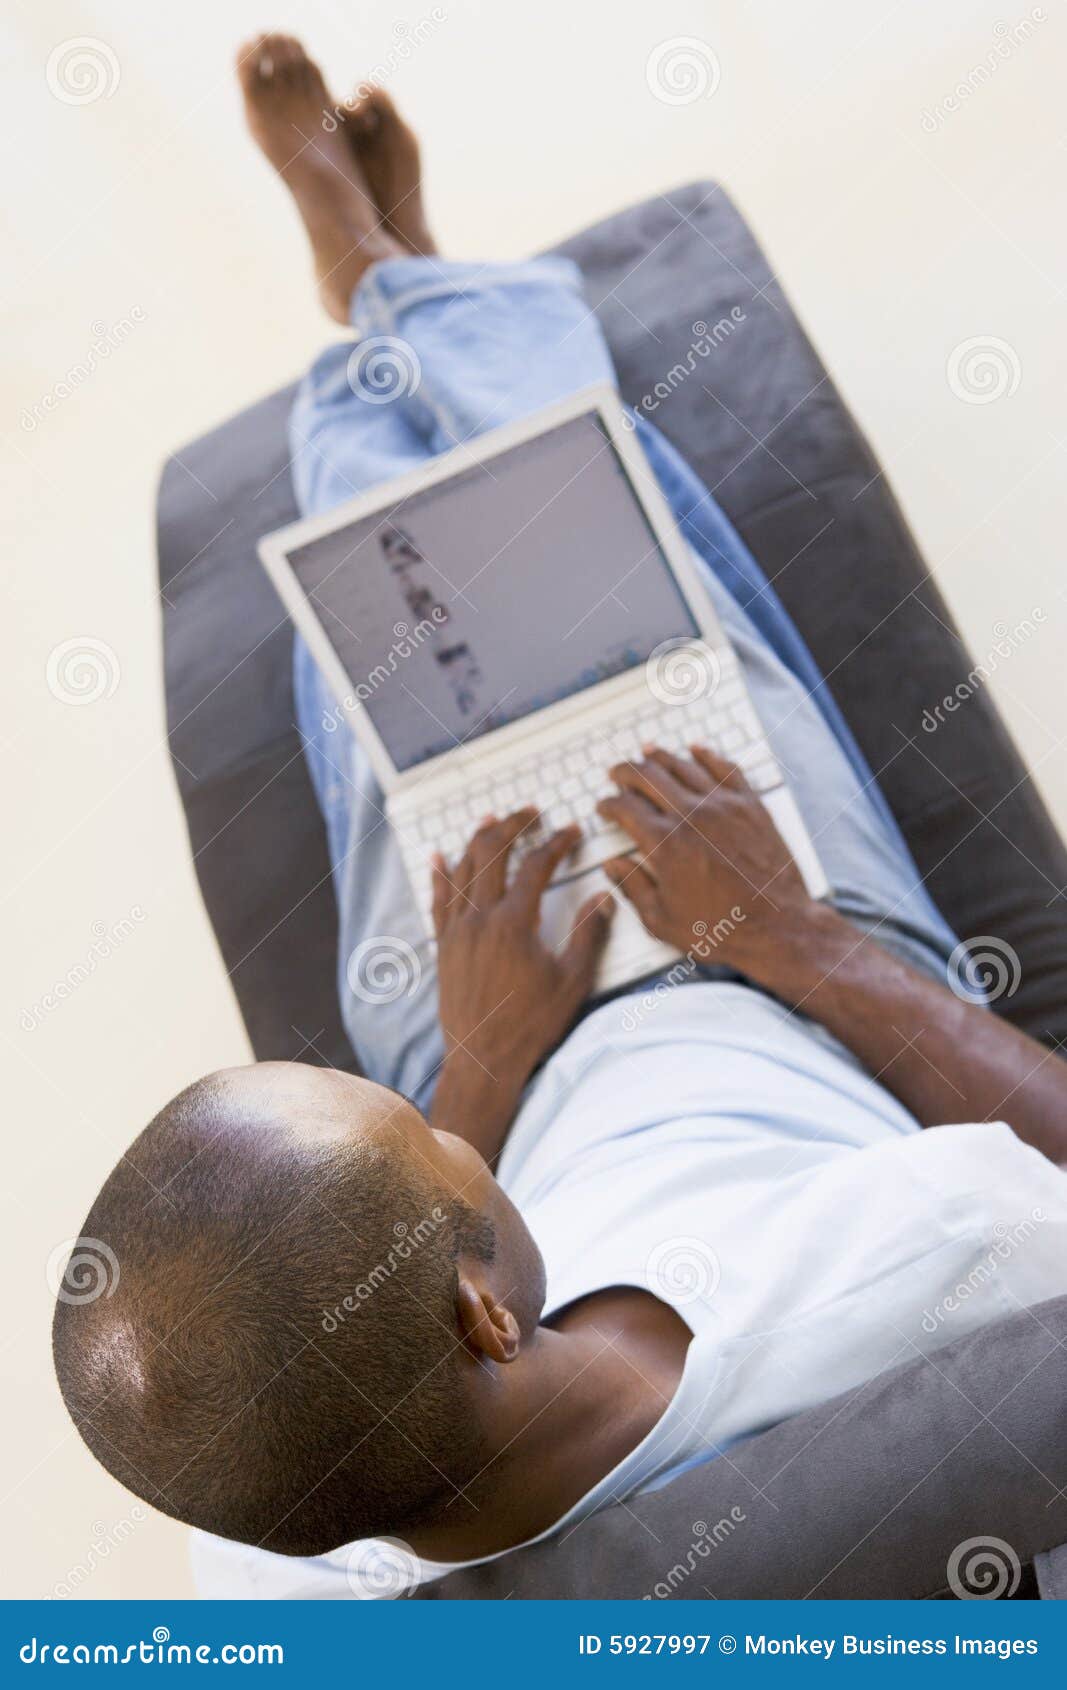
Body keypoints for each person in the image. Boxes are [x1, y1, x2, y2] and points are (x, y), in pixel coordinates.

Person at [53, 35, 1067, 1600]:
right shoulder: (917, 1256)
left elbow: (308, 1347)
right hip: (793, 976)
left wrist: (476, 1062)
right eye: (432, 1150)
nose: (452, 1137)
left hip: (506, 1016)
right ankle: (398, 287)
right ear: (477, 1310)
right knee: (621, 563)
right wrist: (791, 938)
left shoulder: (273, 1553)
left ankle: (384, 300)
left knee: (377, 658)